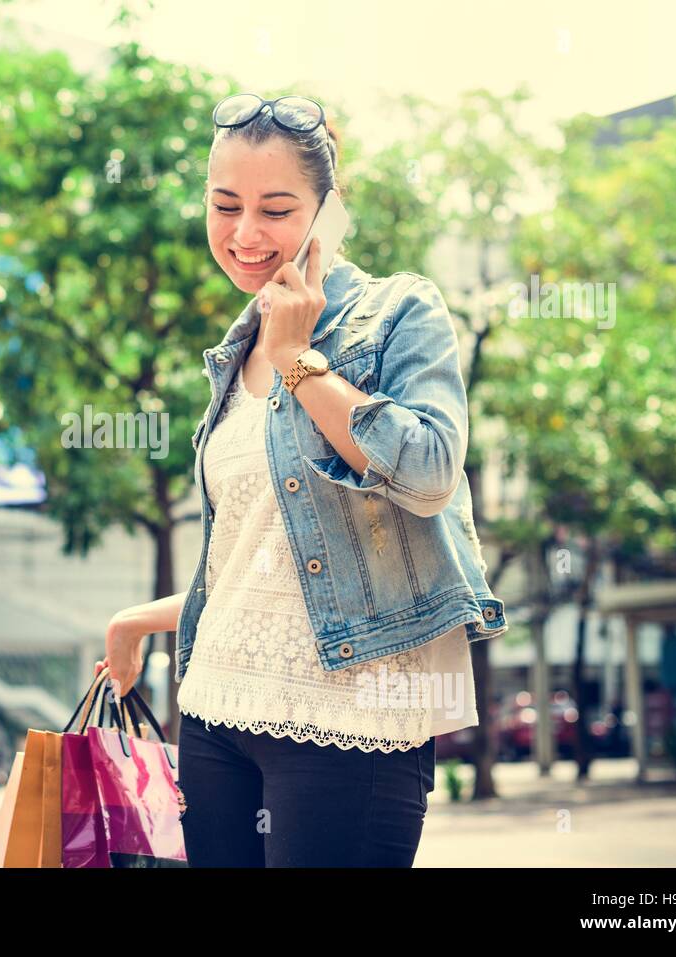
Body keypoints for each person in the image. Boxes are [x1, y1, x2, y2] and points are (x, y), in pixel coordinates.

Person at [94, 93, 508, 867]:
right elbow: (260, 561)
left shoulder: (398, 312)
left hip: (352, 715)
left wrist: (299, 361)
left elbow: (429, 474)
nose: (245, 234)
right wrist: (137, 621)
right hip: (214, 709)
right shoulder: (231, 351)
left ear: (327, 211)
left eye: (276, 209)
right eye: (225, 205)